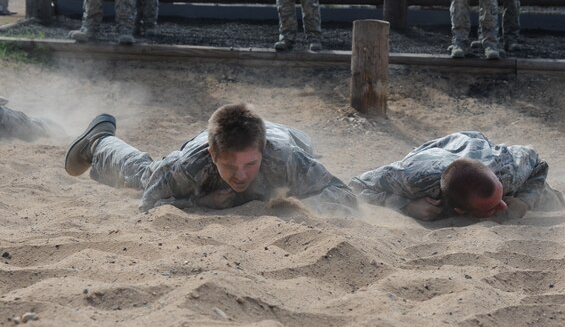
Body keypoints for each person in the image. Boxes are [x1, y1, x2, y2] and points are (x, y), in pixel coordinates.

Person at [64, 103, 357, 213]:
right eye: (230, 166)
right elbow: (149, 204)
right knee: (145, 176)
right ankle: (100, 141)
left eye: (250, 164)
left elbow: (342, 195)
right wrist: (199, 203)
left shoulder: (285, 158)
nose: (241, 175)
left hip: (288, 136)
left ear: (263, 152)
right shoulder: (190, 164)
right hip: (196, 154)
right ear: (213, 155)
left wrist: (295, 206)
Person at [350, 131, 565, 221]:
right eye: (491, 206)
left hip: (477, 148)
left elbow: (538, 164)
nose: (503, 206)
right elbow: (357, 186)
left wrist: (524, 202)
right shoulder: (411, 180)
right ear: (460, 209)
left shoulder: (507, 170)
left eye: (500, 199)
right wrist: (404, 206)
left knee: (553, 203)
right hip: (433, 154)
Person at [0, 96, 65, 142]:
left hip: (25, 123)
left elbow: (5, 100)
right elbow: (5, 100)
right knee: (40, 126)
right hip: (24, 125)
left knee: (42, 125)